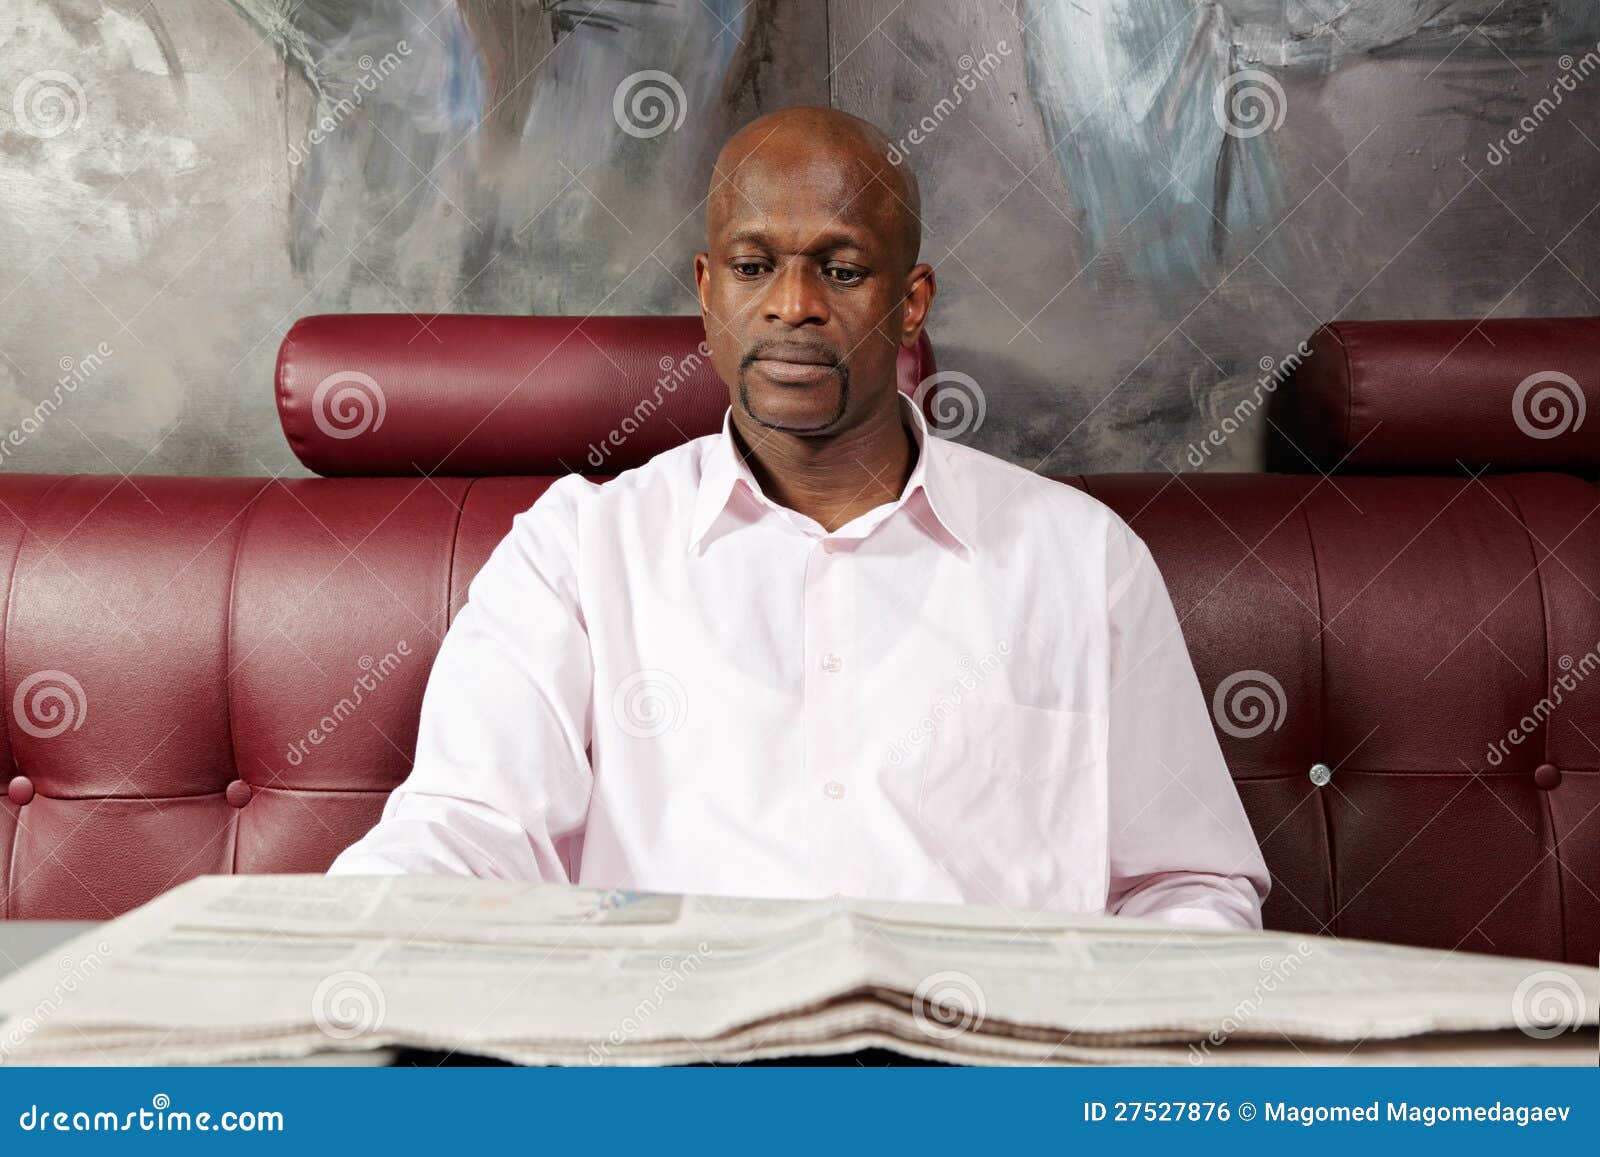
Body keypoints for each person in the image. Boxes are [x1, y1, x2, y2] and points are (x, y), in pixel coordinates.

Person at [329, 105, 1271, 930]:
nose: (792, 306)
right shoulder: (577, 552)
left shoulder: (1081, 558)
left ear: (911, 304)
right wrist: (318, 959)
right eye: (753, 265)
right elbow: (463, 834)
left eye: (842, 269)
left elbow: (1188, 883)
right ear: (707, 294)